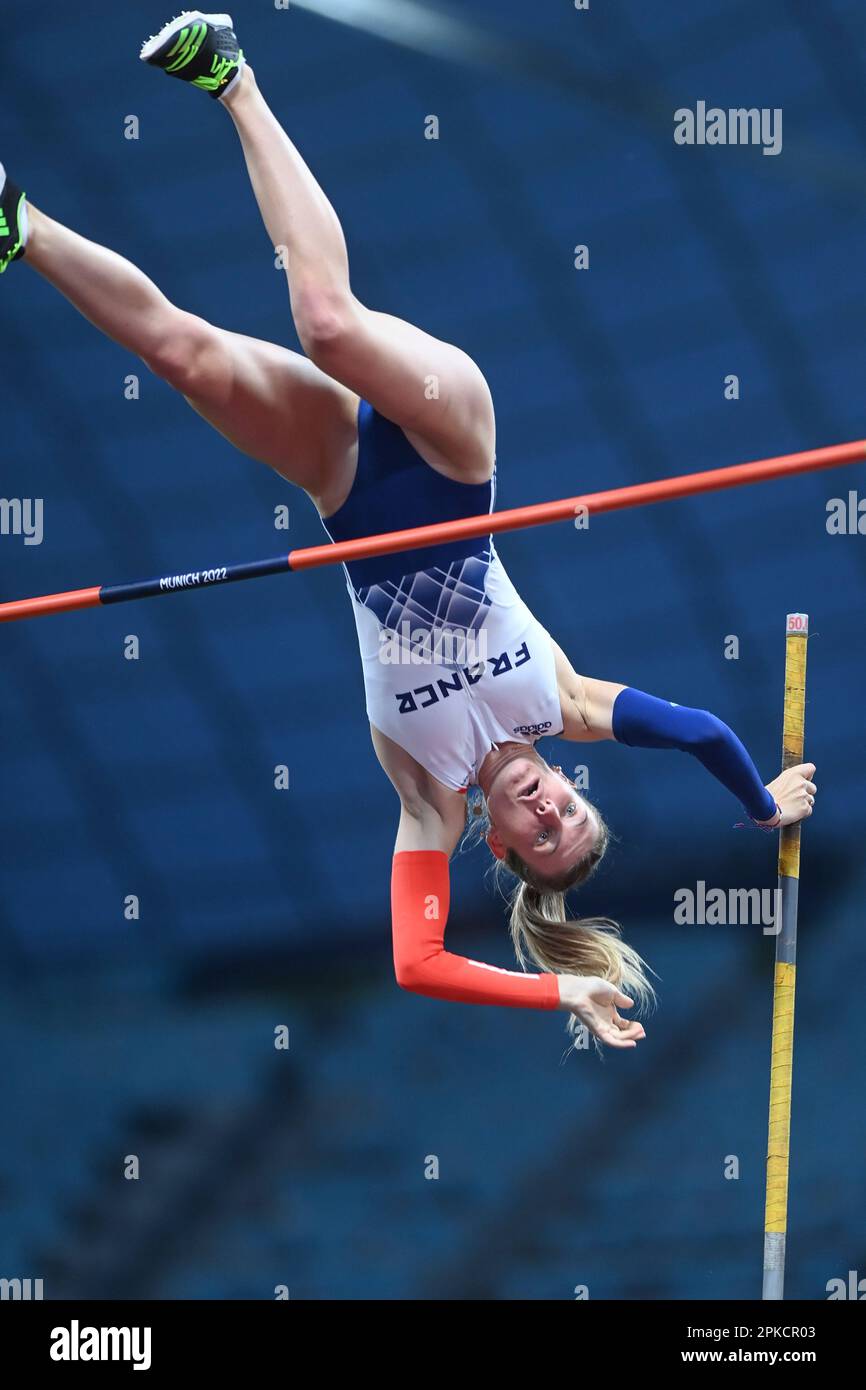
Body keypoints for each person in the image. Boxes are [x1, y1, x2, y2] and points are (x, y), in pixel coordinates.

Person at [0, 13, 817, 1049]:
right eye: (570, 812)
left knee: (184, 356)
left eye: (540, 838)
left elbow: (415, 962)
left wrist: (559, 991)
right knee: (327, 325)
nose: (550, 813)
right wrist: (758, 804)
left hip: (345, 486)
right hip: (450, 447)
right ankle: (231, 75)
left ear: (501, 847)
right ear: (572, 786)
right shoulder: (565, 704)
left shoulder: (426, 795)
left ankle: (17, 226)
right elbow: (699, 731)